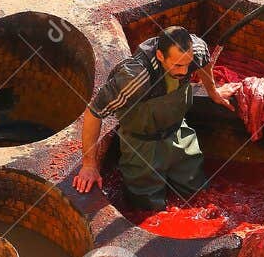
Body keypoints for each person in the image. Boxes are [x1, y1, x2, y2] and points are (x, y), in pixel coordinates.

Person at [73, 26, 233, 209]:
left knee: (198, 194)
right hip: (142, 146)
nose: (184, 71)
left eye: (187, 64)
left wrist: (213, 92)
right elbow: (94, 112)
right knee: (146, 208)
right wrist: (89, 164)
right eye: (177, 65)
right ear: (160, 56)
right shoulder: (135, 77)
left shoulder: (195, 51)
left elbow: (205, 61)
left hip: (178, 132)